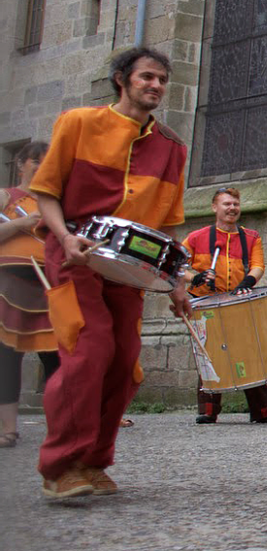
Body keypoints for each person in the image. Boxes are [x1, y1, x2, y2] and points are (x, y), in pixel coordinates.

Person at [30, 47, 192, 498]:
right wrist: (64, 238)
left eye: (161, 79)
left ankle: (94, 460)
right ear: (122, 79)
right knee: (89, 349)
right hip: (73, 253)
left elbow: (169, 224)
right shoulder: (78, 123)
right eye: (146, 77)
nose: (155, 85)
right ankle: (60, 466)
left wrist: (178, 283)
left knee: (124, 361)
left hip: (130, 267)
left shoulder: (172, 146)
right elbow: (44, 192)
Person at [181, 188, 267, 424]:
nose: (232, 208)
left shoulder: (251, 237)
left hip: (239, 302)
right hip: (206, 303)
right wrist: (196, 278)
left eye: (235, 204)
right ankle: (208, 410)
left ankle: (264, 410)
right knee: (209, 354)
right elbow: (177, 264)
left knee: (252, 353)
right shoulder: (195, 238)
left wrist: (247, 282)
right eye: (226, 204)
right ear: (214, 208)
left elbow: (258, 265)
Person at [0, 141, 60, 449]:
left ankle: (60, 430)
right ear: (22, 163)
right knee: (6, 356)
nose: (41, 165)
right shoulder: (7, 197)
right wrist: (23, 223)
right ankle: (7, 429)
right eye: (36, 161)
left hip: (47, 283)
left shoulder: (53, 201)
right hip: (9, 282)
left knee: (56, 356)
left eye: (47, 161)